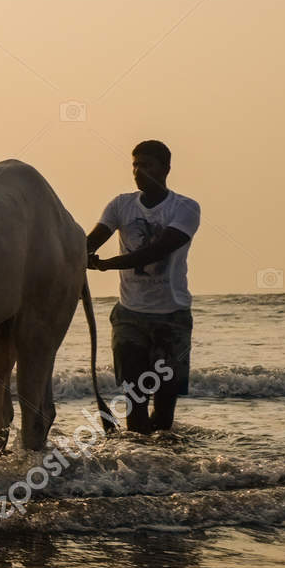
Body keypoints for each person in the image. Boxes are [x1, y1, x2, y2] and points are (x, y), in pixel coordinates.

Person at [86, 139, 199, 433]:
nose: (138, 171)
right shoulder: (120, 204)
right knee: (134, 397)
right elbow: (93, 240)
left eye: (146, 165)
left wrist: (106, 264)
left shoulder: (185, 208)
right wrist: (74, 255)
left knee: (164, 403)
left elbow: (158, 251)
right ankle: (137, 464)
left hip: (171, 317)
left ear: (165, 169)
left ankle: (162, 467)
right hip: (130, 316)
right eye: (135, 165)